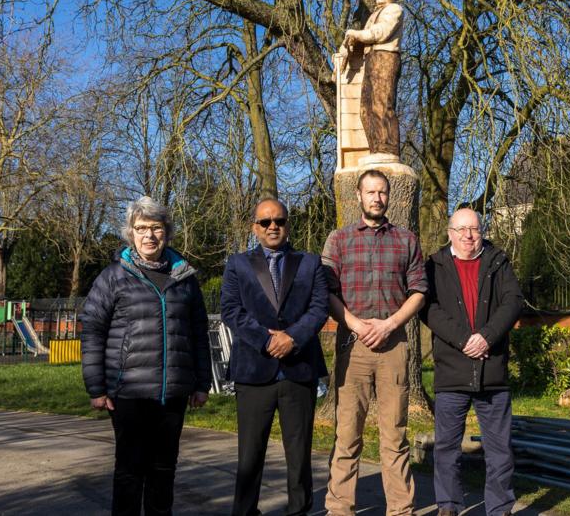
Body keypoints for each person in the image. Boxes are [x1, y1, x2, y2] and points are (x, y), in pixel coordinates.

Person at [81, 196, 211, 516]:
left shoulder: (184, 277)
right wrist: (96, 387)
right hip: (128, 391)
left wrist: (202, 383)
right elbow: (93, 330)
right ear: (131, 233)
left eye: (156, 228)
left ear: (167, 232)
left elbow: (198, 332)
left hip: (173, 392)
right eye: (141, 228)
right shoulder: (112, 276)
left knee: (164, 470)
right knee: (129, 470)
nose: (149, 235)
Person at [322, 169, 426, 516]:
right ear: (358, 195)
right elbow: (327, 292)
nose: (377, 198)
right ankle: (339, 509)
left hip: (393, 345)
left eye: (382, 192)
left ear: (389, 196)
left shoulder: (406, 240)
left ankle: (401, 510)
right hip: (353, 346)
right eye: (370, 192)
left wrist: (390, 324)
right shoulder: (338, 239)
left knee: (394, 436)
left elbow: (419, 291)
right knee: (347, 434)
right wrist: (354, 324)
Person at [220, 198, 330, 516]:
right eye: (265, 222)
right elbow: (231, 309)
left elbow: (320, 307)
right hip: (254, 371)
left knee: (299, 455)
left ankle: (299, 511)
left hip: (299, 370)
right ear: (254, 227)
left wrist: (292, 337)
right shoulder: (237, 264)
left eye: (279, 221)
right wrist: (266, 341)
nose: (273, 227)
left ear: (287, 225)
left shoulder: (310, 263)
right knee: (249, 455)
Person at [421, 208, 523, 516]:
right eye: (462, 229)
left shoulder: (498, 261)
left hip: (492, 372)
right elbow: (428, 308)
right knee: (446, 448)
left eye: (475, 229)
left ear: (482, 231)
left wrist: (487, 337)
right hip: (452, 370)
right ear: (450, 233)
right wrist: (464, 339)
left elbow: (513, 302)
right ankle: (448, 506)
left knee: (499, 449)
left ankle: (500, 508)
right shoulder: (434, 265)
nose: (468, 235)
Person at [342, 0, 404, 156]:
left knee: (381, 105)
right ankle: (375, 150)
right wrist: (348, 46)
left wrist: (356, 34)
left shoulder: (394, 9)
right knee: (365, 110)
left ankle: (387, 149)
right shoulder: (373, 16)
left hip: (385, 57)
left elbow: (380, 33)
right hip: (370, 60)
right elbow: (365, 37)